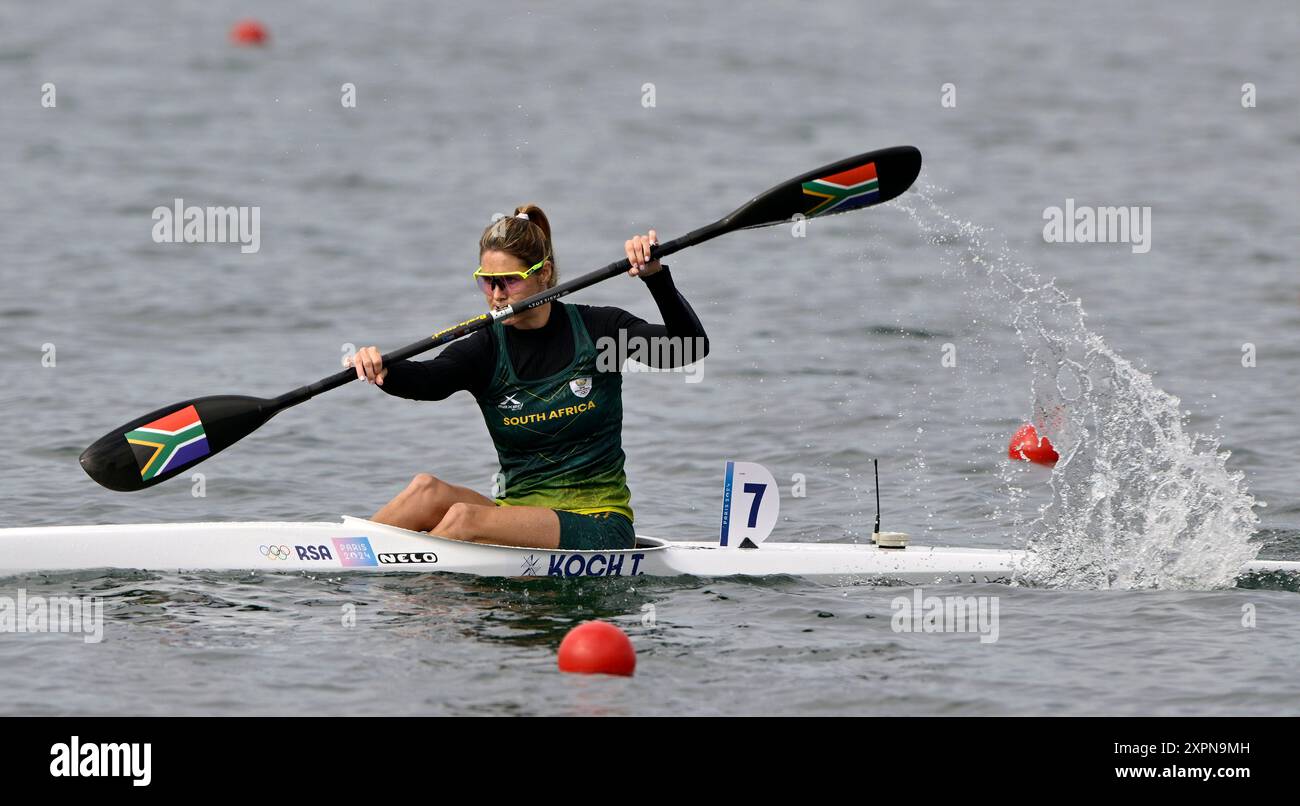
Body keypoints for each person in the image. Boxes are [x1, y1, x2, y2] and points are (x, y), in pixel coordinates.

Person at [346, 204, 709, 550]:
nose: (497, 296)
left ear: (544, 274)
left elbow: (688, 348)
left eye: (509, 282)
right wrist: (382, 368)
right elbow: (428, 380)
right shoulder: (486, 349)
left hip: (598, 521)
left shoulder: (601, 333)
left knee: (464, 518)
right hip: (517, 515)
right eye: (487, 283)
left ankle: (403, 584)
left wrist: (655, 276)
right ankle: (345, 556)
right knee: (426, 490)